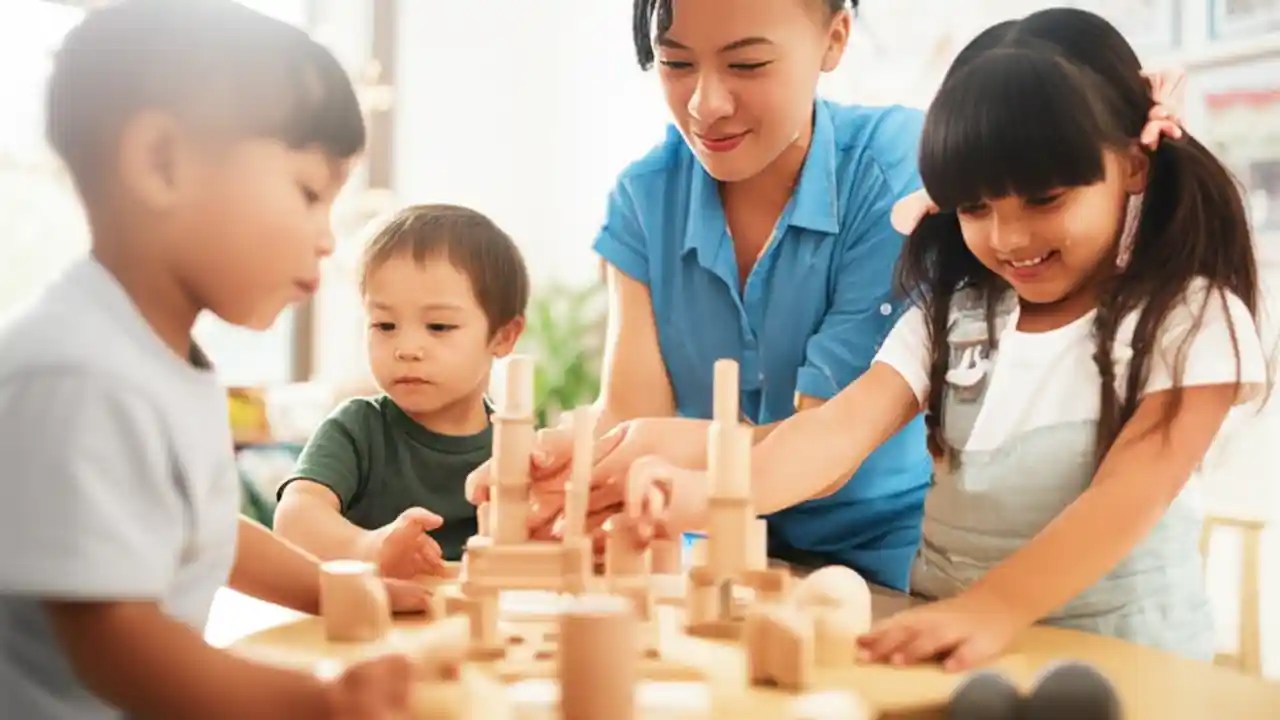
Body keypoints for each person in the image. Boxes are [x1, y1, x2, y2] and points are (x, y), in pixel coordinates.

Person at [620, 7, 1270, 670]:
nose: (1010, 239)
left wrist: (993, 608)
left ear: (1133, 164)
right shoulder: (948, 318)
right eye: (977, 208)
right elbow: (830, 437)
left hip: (1127, 670)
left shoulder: (1189, 318)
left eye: (1044, 200)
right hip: (950, 656)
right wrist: (700, 494)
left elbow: (1130, 494)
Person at [0, 2, 429, 717]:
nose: (327, 239)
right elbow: (117, 642)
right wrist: (314, 704)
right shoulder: (76, 373)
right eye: (307, 193)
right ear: (160, 162)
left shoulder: (160, 358)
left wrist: (335, 587)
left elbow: (210, 531)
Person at [469, 0, 934, 592]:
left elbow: (826, 449)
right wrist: (564, 464)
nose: (704, 104)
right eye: (676, 63)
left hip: (891, 566)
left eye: (747, 65)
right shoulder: (645, 197)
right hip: (711, 556)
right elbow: (634, 412)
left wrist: (660, 449)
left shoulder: (893, 172)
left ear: (834, 40)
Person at [274, 205, 529, 576]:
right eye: (385, 324)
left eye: (438, 326)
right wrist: (368, 547)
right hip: (374, 625)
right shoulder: (357, 429)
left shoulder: (517, 446)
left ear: (503, 336)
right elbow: (295, 519)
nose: (406, 348)